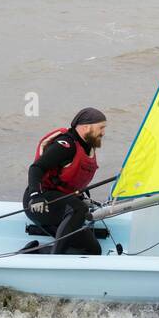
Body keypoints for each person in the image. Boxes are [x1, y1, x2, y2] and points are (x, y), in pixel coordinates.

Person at [22, 108, 107, 254]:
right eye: (101, 128)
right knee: (79, 208)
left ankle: (34, 252)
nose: (103, 132)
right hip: (41, 203)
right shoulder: (66, 145)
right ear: (86, 127)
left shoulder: (87, 146)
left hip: (62, 204)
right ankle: (55, 260)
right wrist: (35, 196)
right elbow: (36, 168)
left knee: (92, 250)